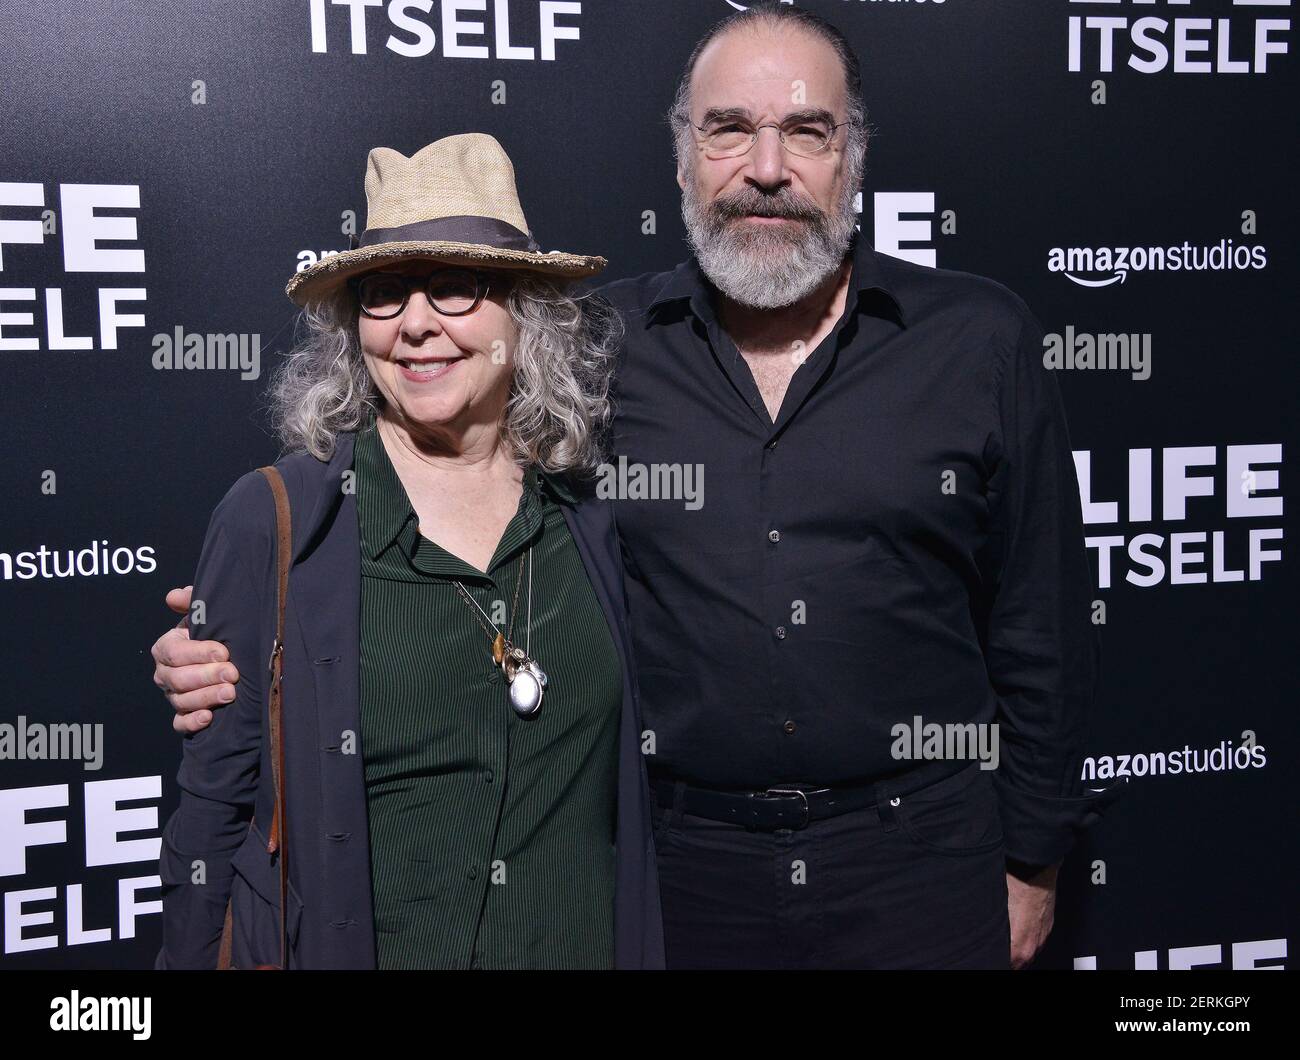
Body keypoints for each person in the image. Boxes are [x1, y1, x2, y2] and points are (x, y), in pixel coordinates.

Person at [155, 4, 1121, 969]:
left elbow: (1044, 627)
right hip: (683, 874)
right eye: (729, 129)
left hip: (924, 860)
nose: (768, 168)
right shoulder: (607, 349)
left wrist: (1033, 864)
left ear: (852, 159)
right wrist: (242, 629)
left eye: (807, 132)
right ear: (683, 160)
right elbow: (416, 449)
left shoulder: (977, 339)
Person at [154, 132, 663, 970]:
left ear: (524, 314)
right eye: (384, 294)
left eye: (457, 288)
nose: (417, 325)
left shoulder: (589, 515)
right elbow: (212, 811)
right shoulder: (274, 520)